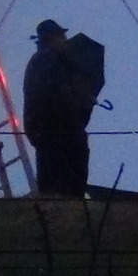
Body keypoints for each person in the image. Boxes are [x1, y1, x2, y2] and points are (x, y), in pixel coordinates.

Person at [23, 18, 99, 198]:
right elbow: (56, 95)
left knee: (62, 177)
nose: (65, 40)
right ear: (52, 38)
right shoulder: (47, 61)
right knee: (60, 179)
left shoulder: (49, 60)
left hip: (53, 130)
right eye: (61, 36)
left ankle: (66, 206)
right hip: (55, 130)